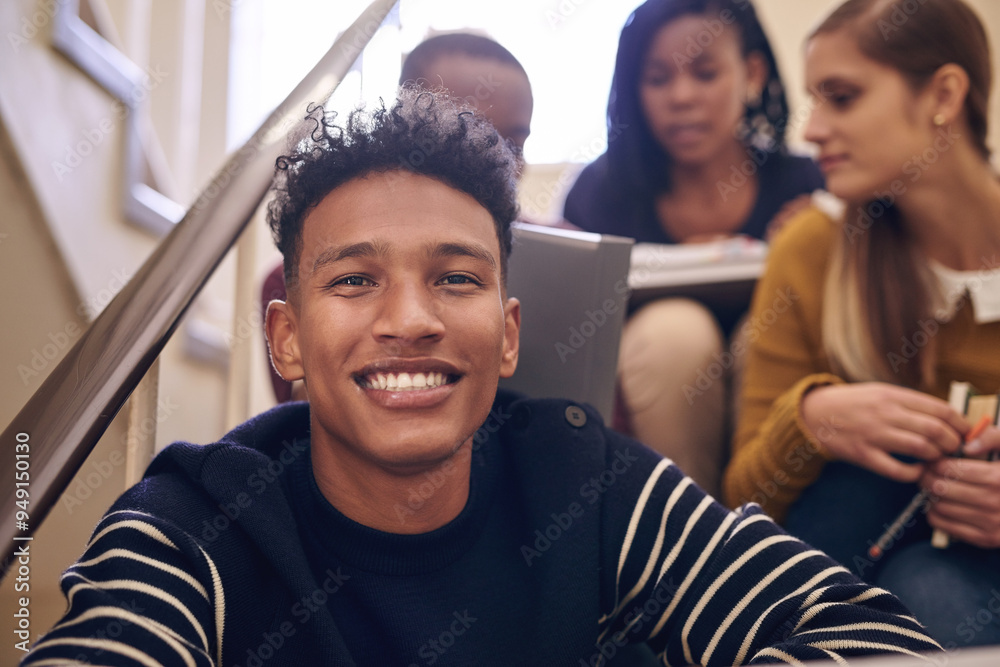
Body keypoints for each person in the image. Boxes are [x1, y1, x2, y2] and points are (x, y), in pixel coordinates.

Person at [21, 88, 941, 666]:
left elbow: (872, 638)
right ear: (287, 339)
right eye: (354, 280)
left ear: (507, 336)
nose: (412, 319)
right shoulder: (197, 520)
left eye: (455, 278)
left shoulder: (589, 486)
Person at [723, 0, 1000, 648]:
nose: (812, 130)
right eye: (814, 100)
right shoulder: (809, 250)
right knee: (877, 519)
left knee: (927, 581)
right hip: (870, 564)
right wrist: (812, 418)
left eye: (841, 98)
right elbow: (740, 503)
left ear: (944, 95)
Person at [562, 0, 823, 499]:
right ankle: (687, 546)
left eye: (705, 74)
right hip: (658, 373)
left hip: (769, 383)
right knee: (675, 335)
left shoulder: (806, 184)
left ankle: (767, 546)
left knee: (758, 333)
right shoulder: (600, 191)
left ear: (751, 73)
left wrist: (815, 238)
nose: (681, 97)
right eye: (657, 79)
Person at [263, 31, 533, 403]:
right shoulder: (303, 269)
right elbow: (308, 415)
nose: (495, 162)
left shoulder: (571, 258)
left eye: (513, 146)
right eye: (462, 131)